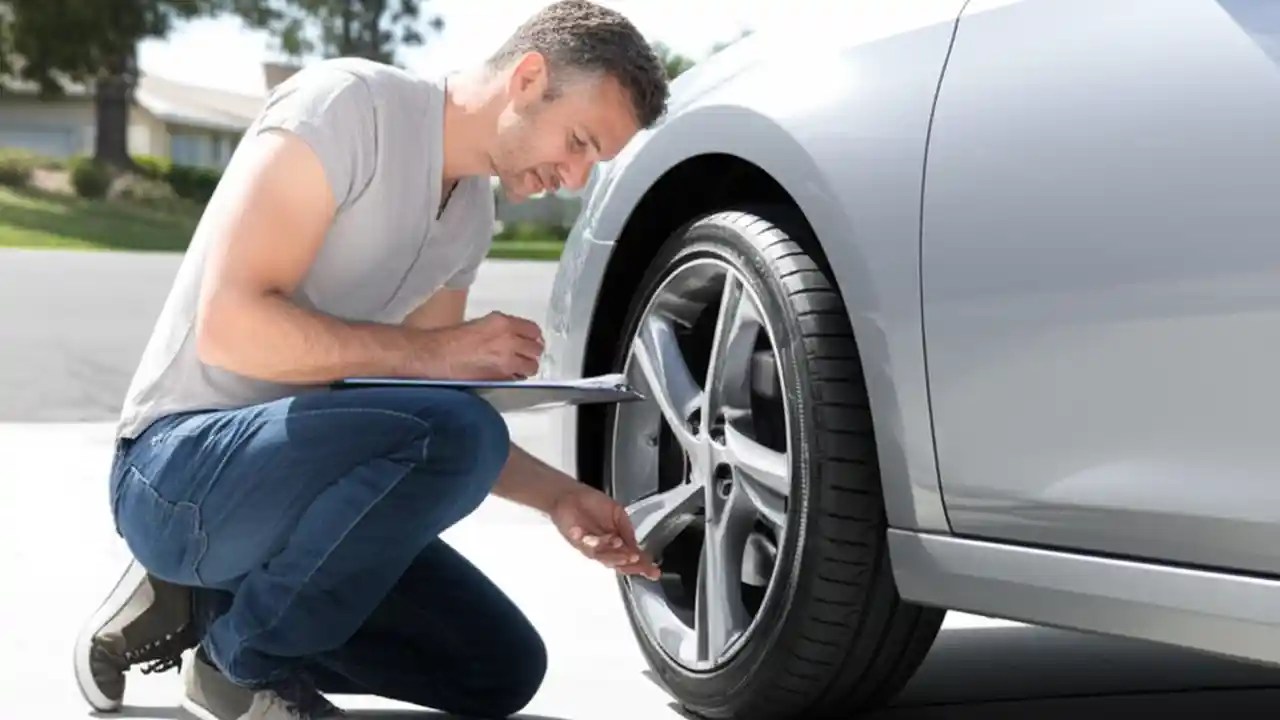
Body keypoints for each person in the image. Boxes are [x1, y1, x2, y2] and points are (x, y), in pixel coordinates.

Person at [72, 2, 670, 718]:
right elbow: (230, 329)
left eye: (592, 161)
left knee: (497, 668)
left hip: (295, 489)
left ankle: (205, 606)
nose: (574, 176)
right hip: (175, 474)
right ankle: (239, 668)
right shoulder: (348, 107)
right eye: (577, 140)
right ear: (529, 77)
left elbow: (425, 414)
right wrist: (437, 352)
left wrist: (562, 497)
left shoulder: (469, 216)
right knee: (456, 428)